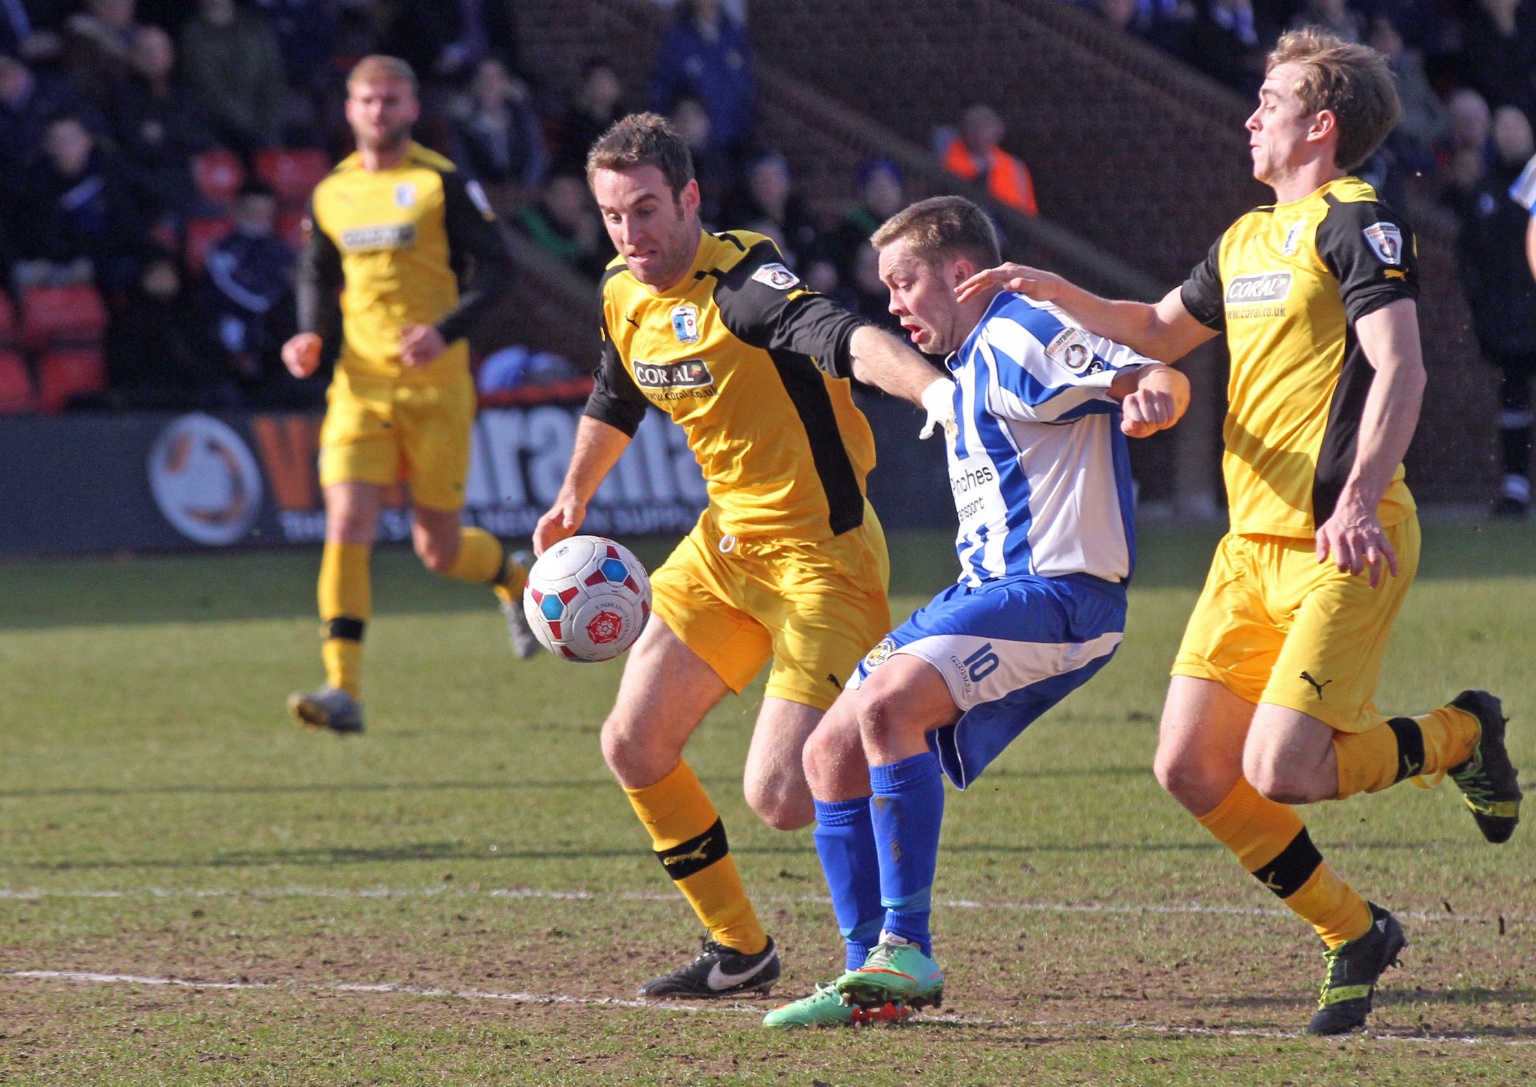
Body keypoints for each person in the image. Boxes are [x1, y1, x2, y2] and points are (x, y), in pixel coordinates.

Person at [956, 27, 1522, 1035]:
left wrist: (1355, 499)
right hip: (1246, 549)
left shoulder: (1359, 222)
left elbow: (1404, 369)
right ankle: (1355, 929)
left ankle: (1462, 733)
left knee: (1282, 769)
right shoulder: (1246, 237)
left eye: (1271, 100)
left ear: (1322, 123)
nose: (1250, 115)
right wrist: (1053, 292)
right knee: (1187, 768)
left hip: (1347, 540)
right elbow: (1164, 329)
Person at [532, 112, 956, 999]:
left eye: (647, 210)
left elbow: (843, 336)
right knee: (634, 743)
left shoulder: (748, 289)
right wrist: (574, 494)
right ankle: (740, 948)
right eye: (613, 215)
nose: (630, 233)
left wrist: (937, 393)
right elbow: (616, 392)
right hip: (725, 547)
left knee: (785, 796)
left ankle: (896, 893)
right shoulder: (622, 289)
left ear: (690, 199)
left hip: (822, 561)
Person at [762, 196, 1189, 1028]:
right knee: (826, 755)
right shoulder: (971, 361)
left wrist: (1154, 397)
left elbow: (1149, 368)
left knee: (887, 708)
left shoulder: (1020, 329)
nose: (894, 305)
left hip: (1061, 593)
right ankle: (867, 983)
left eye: (905, 282)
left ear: (962, 272)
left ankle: (907, 947)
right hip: (984, 591)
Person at [282, 55, 532, 736]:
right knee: (346, 526)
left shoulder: (439, 182)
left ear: (413, 107)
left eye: (391, 99)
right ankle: (343, 686)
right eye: (367, 100)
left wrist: (446, 331)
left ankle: (513, 579)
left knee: (438, 550)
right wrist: (308, 335)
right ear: (349, 108)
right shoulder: (330, 192)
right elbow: (314, 270)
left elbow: (498, 268)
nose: (379, 111)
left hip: (436, 387)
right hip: (359, 387)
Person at [1455, 107, 1536, 518]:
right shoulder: (1485, 190)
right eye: (1500, 127)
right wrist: (1483, 312)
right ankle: (1515, 487)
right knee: (1513, 398)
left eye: (1515, 126)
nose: (1507, 135)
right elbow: (1469, 256)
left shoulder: (1534, 180)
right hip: (1507, 324)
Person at [937, 104, 1038, 217]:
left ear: (999, 130)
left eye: (986, 127)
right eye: (974, 127)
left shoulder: (1014, 167)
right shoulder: (947, 153)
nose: (979, 133)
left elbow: (1028, 213)